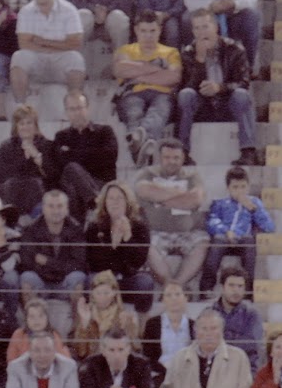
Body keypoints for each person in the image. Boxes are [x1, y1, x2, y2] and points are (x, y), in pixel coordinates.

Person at [176, 8, 260, 167]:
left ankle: (248, 151)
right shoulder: (188, 53)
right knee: (185, 95)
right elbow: (185, 87)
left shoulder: (234, 49)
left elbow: (243, 82)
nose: (201, 32)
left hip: (227, 103)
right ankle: (182, 152)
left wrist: (220, 88)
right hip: (202, 106)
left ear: (216, 27)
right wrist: (200, 61)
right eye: (197, 28)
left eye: (205, 26)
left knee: (242, 95)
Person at [136, 139, 209, 292]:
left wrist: (160, 198)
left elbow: (195, 200)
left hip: (186, 233)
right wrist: (182, 195)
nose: (172, 162)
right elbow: (144, 191)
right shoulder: (148, 173)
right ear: (160, 158)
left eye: (176, 158)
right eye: (167, 157)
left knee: (202, 242)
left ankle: (177, 285)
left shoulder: (192, 175)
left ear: (183, 158)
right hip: (156, 231)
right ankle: (170, 285)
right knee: (145, 244)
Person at [114, 9, 183, 165]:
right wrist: (156, 68)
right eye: (144, 31)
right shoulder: (125, 50)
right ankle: (147, 145)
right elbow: (120, 69)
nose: (148, 35)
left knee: (159, 110)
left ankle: (139, 138)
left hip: (162, 93)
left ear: (159, 30)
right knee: (134, 112)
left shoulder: (170, 52)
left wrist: (138, 75)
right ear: (136, 30)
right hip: (132, 93)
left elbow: (173, 77)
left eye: (152, 31)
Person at [10, 0, 86, 102]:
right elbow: (24, 44)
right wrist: (58, 45)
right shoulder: (26, 12)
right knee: (19, 57)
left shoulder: (69, 10)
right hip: (37, 61)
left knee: (75, 58)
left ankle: (74, 107)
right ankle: (21, 108)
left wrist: (43, 42)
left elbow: (75, 44)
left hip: (60, 60)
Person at [18, 189, 89, 323]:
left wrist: (47, 262)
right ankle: (31, 327)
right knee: (27, 277)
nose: (56, 211)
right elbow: (27, 262)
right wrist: (60, 265)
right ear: (43, 208)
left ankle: (76, 329)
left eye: (60, 206)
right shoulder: (31, 229)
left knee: (77, 277)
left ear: (67, 209)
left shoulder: (76, 230)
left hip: (64, 283)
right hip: (41, 282)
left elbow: (78, 264)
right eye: (51, 206)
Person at [50, 90, 121, 221]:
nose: (77, 113)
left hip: (102, 185)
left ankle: (92, 209)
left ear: (87, 109)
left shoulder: (105, 131)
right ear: (66, 112)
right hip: (76, 189)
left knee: (72, 169)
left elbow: (109, 157)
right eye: (72, 109)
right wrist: (91, 155)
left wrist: (72, 153)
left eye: (80, 108)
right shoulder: (61, 136)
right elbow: (60, 163)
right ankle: (96, 206)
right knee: (71, 172)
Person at [84, 179, 155, 311]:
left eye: (119, 198)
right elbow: (93, 261)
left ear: (127, 202)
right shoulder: (95, 227)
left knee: (145, 283)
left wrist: (127, 238)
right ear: (104, 202)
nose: (115, 202)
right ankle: (97, 325)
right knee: (90, 281)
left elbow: (138, 261)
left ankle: (141, 328)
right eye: (110, 198)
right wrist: (113, 245)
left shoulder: (139, 227)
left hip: (127, 279)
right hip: (103, 280)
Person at [159, 307, 252, 388]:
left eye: (213, 328)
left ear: (222, 331)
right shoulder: (179, 358)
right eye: (204, 329)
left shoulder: (238, 358)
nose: (209, 334)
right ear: (196, 332)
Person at [70, 270, 143, 362]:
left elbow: (136, 349)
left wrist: (130, 330)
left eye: (106, 293)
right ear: (92, 294)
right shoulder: (85, 311)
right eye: (98, 293)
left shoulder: (123, 314)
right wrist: (84, 324)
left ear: (114, 293)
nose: (102, 297)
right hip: (92, 364)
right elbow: (80, 352)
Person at [79, 326, 156, 388]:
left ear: (128, 349)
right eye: (111, 350)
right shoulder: (91, 364)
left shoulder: (141, 364)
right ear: (103, 350)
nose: (117, 356)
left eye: (121, 349)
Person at [7, 328, 83, 388]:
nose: (42, 355)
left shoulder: (68, 366)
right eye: (36, 350)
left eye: (47, 350)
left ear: (54, 351)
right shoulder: (16, 366)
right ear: (29, 351)